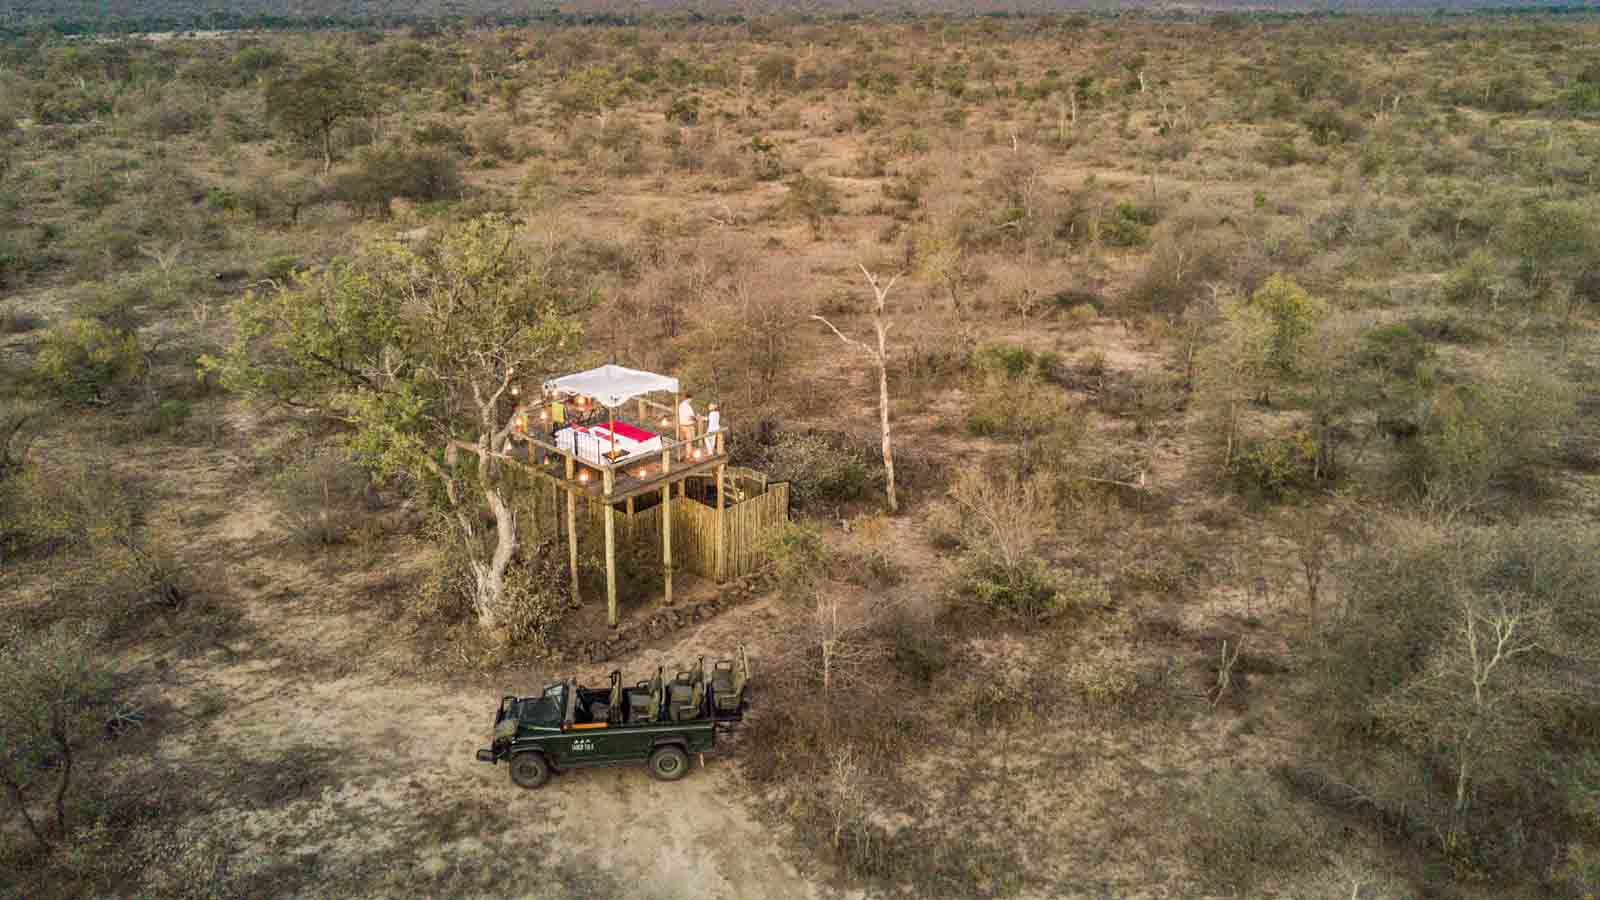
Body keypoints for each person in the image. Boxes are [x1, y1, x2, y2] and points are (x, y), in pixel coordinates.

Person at [677, 393, 697, 459]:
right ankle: (688, 455)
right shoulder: (686, 406)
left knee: (690, 440)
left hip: (684, 424)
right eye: (691, 399)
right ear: (689, 399)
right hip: (687, 425)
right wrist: (696, 418)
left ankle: (689, 453)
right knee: (689, 440)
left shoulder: (681, 405)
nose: (691, 401)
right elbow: (690, 416)